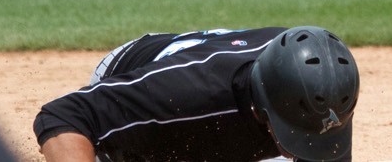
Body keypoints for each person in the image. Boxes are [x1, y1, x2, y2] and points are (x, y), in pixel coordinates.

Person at [33, 26, 357, 162]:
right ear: (265, 101)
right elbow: (64, 115)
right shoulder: (182, 97)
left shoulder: (323, 88)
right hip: (135, 75)